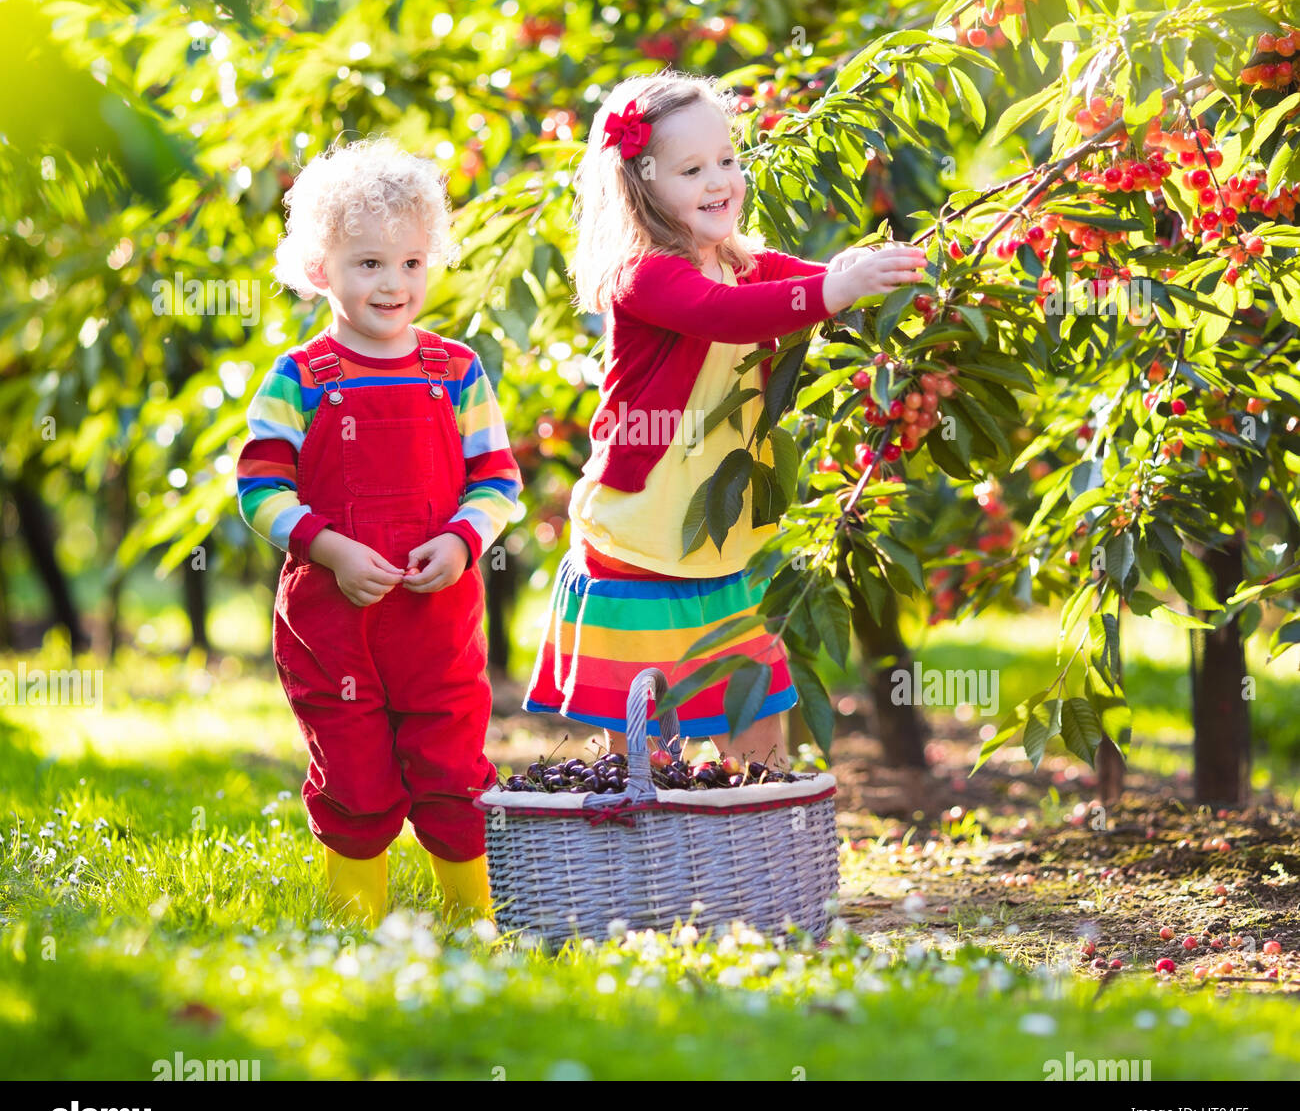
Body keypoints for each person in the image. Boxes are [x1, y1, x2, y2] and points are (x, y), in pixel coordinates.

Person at [525, 70, 927, 766]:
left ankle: (754, 862)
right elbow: (726, 316)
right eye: (692, 169)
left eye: (728, 161)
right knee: (645, 747)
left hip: (723, 544)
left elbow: (791, 280)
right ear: (641, 183)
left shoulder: (734, 260)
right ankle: (649, 867)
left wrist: (867, 277)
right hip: (640, 541)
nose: (720, 181)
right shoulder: (644, 274)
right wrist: (838, 288)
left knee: (759, 729)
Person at [237, 137, 522, 926]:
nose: (393, 283)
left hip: (436, 617)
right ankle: (357, 919)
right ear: (320, 269)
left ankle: (474, 914)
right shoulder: (299, 377)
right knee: (354, 769)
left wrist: (463, 541)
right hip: (334, 622)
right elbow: (258, 489)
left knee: (453, 763)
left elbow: (498, 482)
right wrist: (327, 547)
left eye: (411, 263)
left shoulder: (457, 371)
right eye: (368, 264)